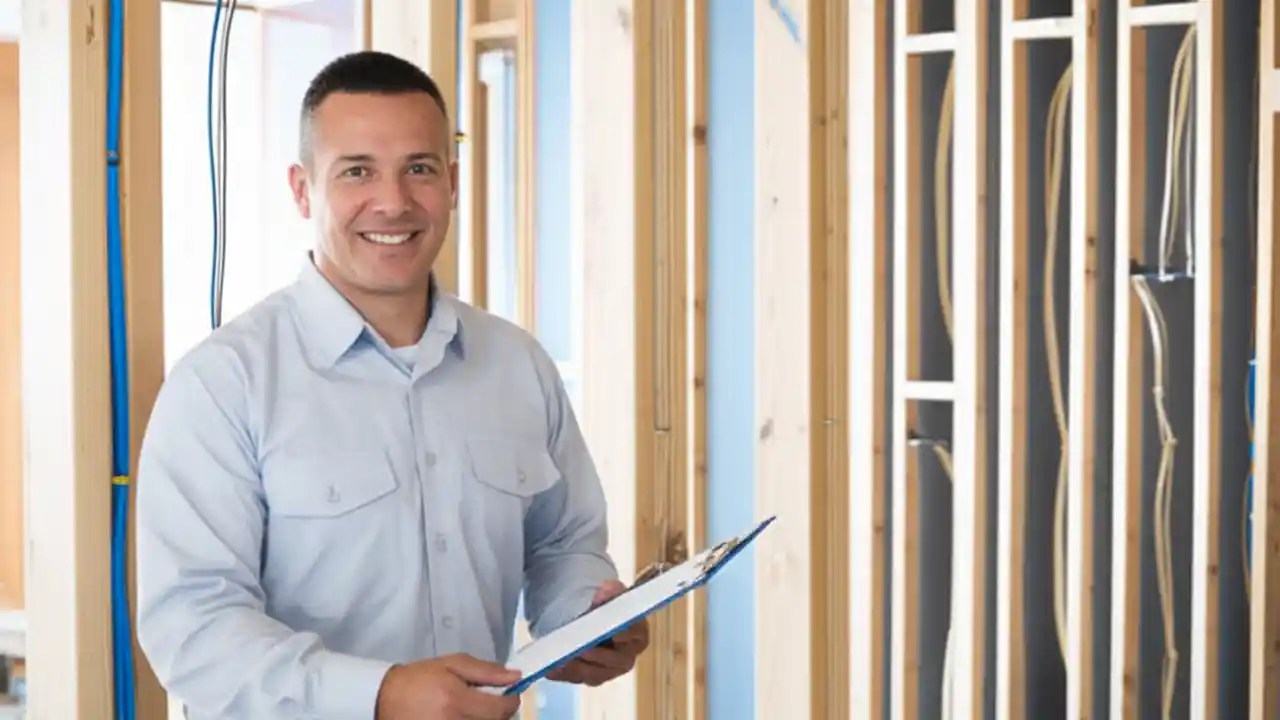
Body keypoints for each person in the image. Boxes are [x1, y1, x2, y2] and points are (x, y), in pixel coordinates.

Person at [136, 50, 648, 720]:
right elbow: (194, 630)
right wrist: (378, 695)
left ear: (453, 182)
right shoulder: (223, 385)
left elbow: (562, 544)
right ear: (301, 189)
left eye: (420, 169)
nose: (394, 201)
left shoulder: (518, 366)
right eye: (356, 172)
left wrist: (585, 616)